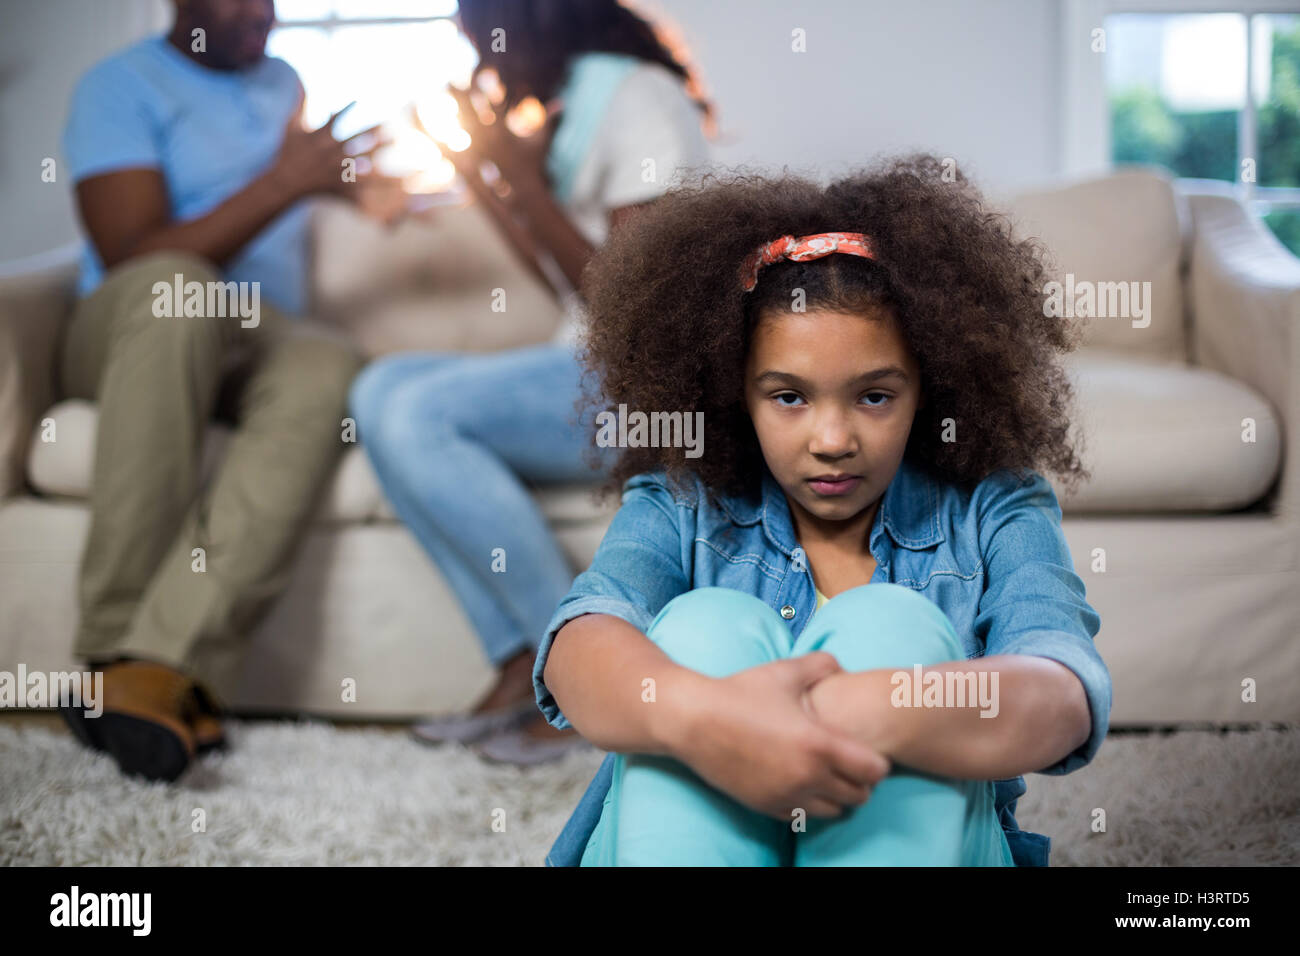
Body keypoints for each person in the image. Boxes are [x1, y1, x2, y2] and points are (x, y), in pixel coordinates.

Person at [534, 155, 1114, 865]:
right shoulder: (686, 499)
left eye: (874, 396)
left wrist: (856, 710)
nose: (833, 440)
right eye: (788, 397)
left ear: (929, 385)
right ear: (731, 393)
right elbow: (577, 646)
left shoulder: (992, 504)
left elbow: (1063, 691)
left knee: (888, 627)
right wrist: (710, 719)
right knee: (706, 628)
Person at [348, 0, 713, 764]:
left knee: (418, 415)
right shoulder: (574, 106)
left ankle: (581, 678)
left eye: (486, 36)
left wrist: (522, 179)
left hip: (643, 384)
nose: (484, 56)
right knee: (378, 389)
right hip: (582, 357)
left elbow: (628, 312)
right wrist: (486, 178)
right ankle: (520, 660)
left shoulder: (639, 98)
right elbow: (561, 281)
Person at [56, 0, 389, 781]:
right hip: (135, 328)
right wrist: (284, 181)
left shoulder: (284, 82)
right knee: (179, 286)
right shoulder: (118, 86)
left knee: (326, 360)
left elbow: (323, 183)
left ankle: (160, 665)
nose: (262, 14)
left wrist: (361, 187)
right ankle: (109, 645)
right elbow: (132, 252)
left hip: (252, 335)